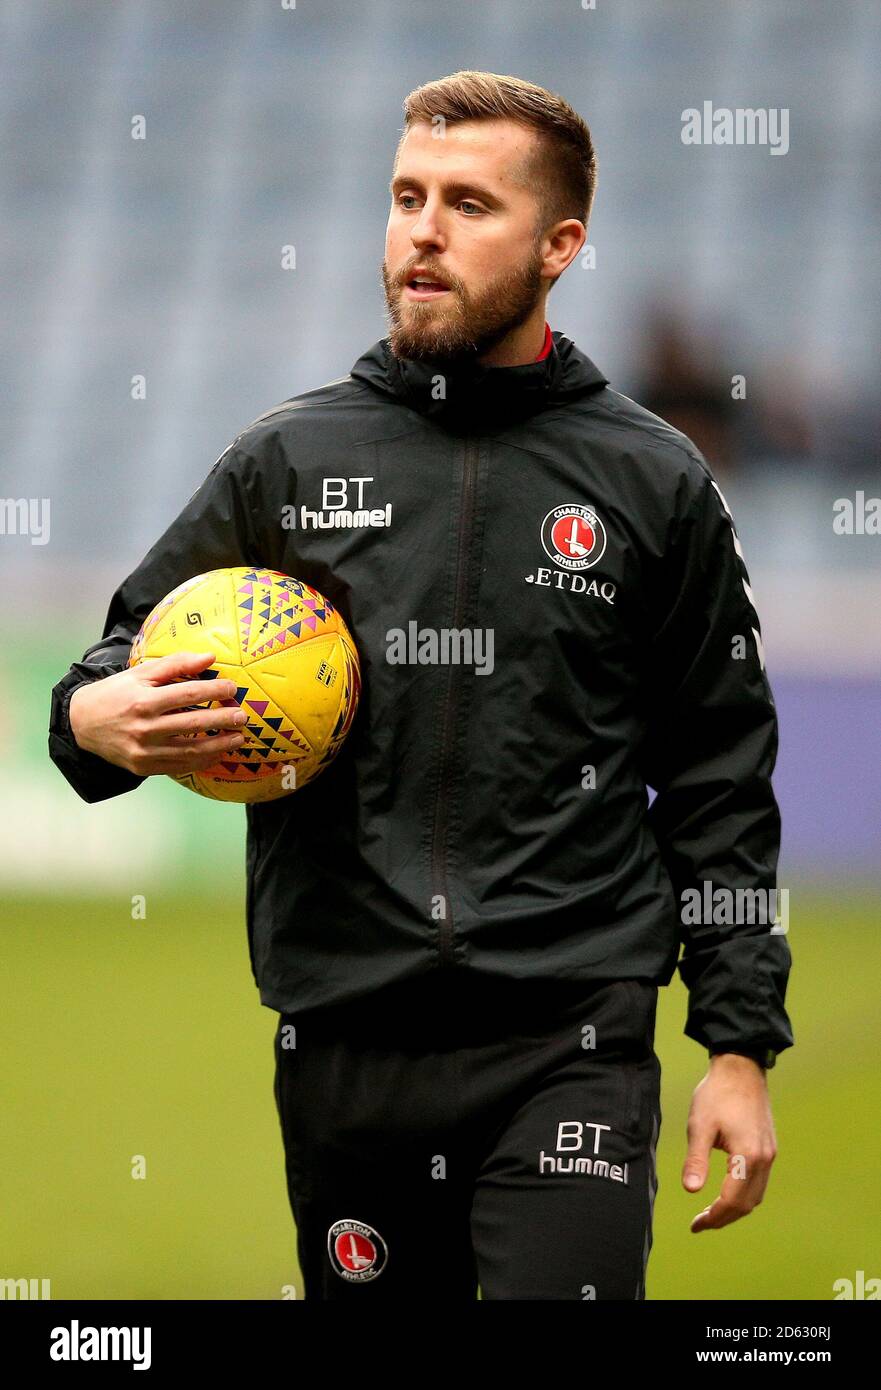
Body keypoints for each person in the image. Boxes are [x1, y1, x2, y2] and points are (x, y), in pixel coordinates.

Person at [48, 70, 793, 1300]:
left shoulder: (651, 480)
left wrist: (737, 1041)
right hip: (345, 1041)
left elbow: (719, 774)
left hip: (572, 1039)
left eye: (466, 203)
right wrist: (92, 714)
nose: (422, 233)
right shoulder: (286, 459)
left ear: (559, 246)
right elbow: (118, 660)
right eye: (404, 197)